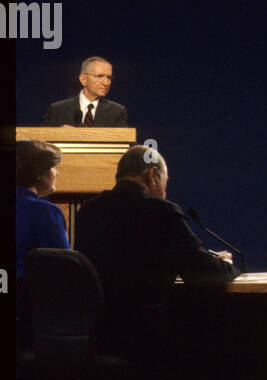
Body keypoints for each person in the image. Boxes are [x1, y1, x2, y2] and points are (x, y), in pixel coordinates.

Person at [75, 144, 235, 357]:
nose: (165, 191)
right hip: (147, 337)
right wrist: (227, 265)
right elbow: (201, 271)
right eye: (165, 182)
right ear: (153, 175)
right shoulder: (161, 210)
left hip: (97, 333)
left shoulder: (88, 210)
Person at [15, 139, 70, 277]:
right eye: (53, 167)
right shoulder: (45, 212)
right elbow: (63, 266)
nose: (57, 173)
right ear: (39, 173)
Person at [44, 56, 128, 126]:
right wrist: (60, 134)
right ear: (83, 79)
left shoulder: (117, 112)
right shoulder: (57, 110)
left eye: (109, 78)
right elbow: (42, 143)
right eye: (100, 76)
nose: (106, 83)